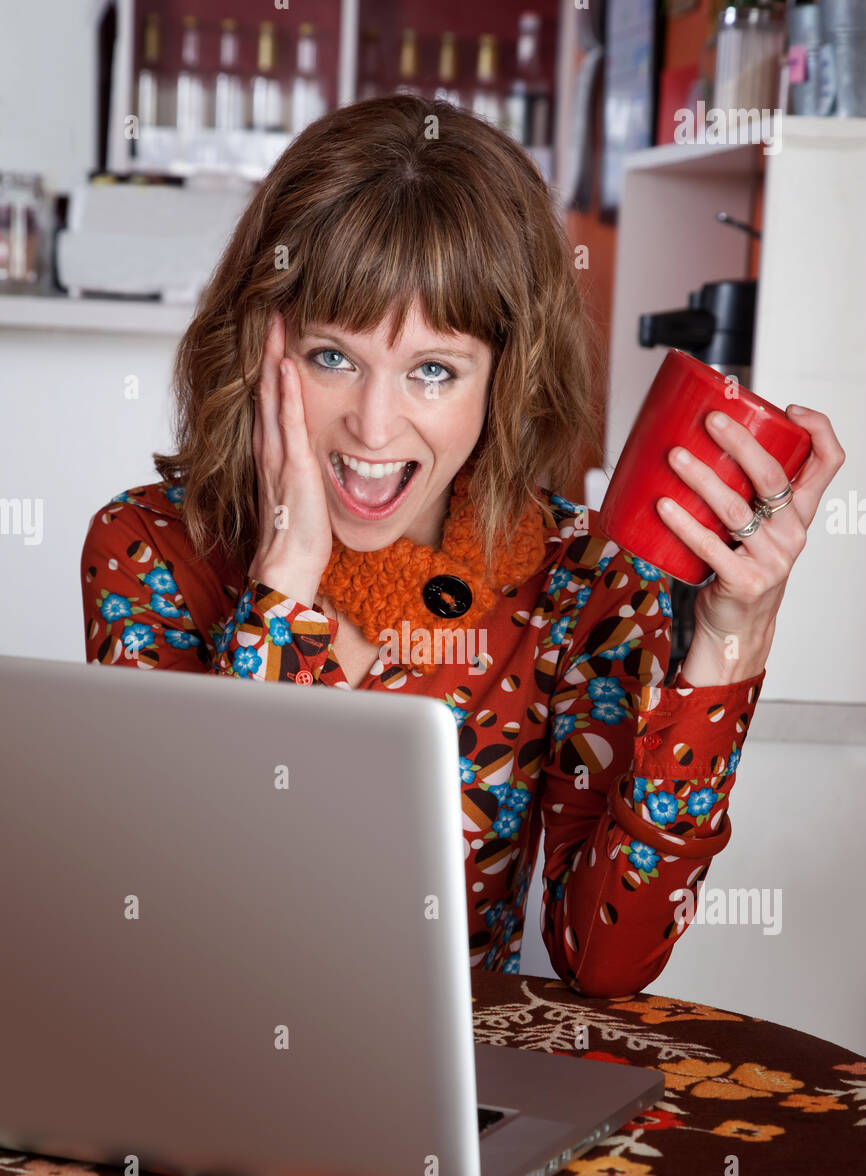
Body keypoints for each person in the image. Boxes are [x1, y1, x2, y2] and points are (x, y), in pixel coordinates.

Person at [80, 96, 845, 994]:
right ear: (261, 344)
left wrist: (732, 640)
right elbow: (205, 931)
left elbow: (606, 959)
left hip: (452, 1104)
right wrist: (284, 586)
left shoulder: (574, 580)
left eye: (433, 370)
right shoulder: (149, 547)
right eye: (333, 356)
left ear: (505, 378)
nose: (372, 425)